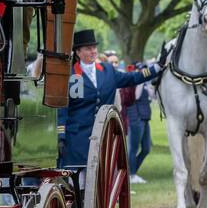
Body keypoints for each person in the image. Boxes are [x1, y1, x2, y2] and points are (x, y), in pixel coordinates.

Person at [57, 29, 160, 168]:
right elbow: (63, 108)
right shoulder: (72, 75)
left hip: (104, 134)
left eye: (94, 47)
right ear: (78, 52)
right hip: (77, 138)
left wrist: (155, 69)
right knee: (79, 181)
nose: (93, 51)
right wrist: (61, 135)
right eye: (88, 48)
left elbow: (132, 78)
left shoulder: (108, 70)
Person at [120, 70, 154, 182]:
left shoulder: (146, 84)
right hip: (135, 117)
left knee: (146, 148)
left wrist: (148, 85)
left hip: (145, 117)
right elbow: (136, 96)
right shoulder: (133, 83)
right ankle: (132, 174)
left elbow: (152, 97)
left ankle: (131, 171)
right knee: (133, 148)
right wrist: (140, 82)